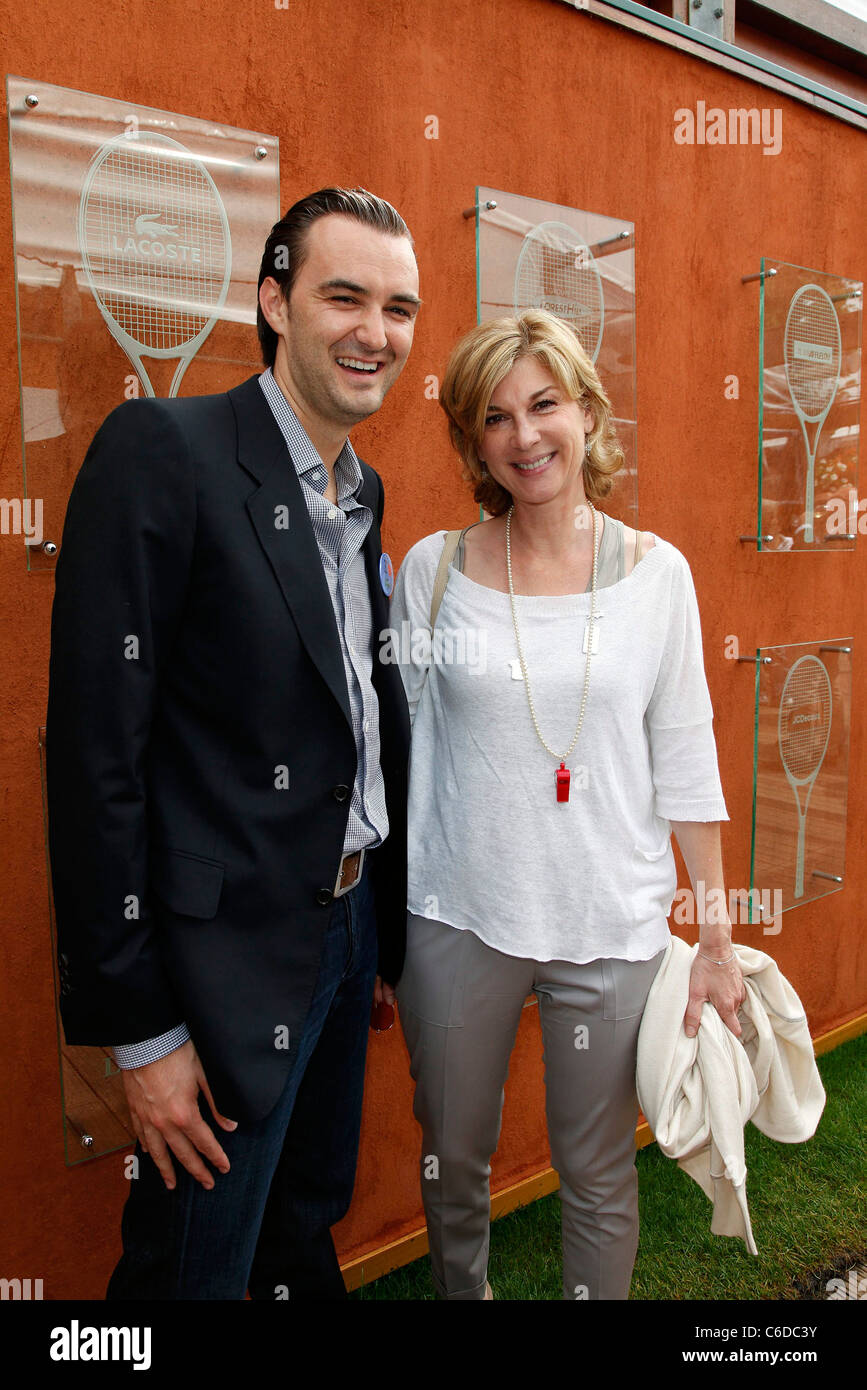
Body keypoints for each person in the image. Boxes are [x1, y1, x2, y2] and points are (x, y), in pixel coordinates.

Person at [46, 186, 419, 1300]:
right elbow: (94, 757)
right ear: (273, 299)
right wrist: (142, 1034)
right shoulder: (166, 449)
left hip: (344, 935)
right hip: (216, 966)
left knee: (300, 1235)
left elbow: (346, 711)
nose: (375, 331)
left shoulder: (365, 492)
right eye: (343, 295)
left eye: (399, 307)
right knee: (188, 1269)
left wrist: (374, 925)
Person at [389, 308, 745, 1301]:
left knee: (594, 1171)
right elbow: (396, 755)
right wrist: (381, 927)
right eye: (495, 417)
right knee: (453, 1161)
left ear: (587, 411)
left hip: (610, 924)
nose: (524, 435)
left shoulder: (657, 575)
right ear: (473, 439)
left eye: (544, 403)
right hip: (459, 917)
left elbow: (686, 761)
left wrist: (712, 937)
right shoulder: (435, 572)